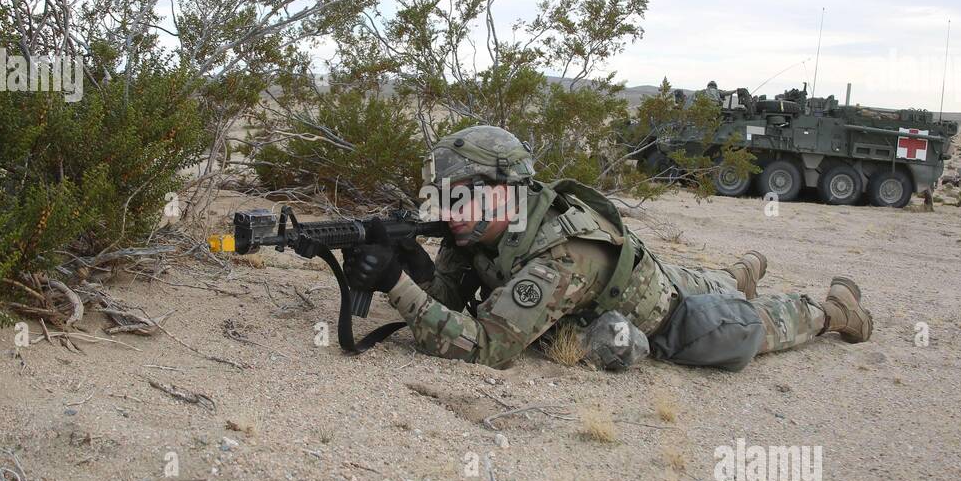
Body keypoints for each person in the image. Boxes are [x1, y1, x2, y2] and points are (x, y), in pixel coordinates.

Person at [343, 125, 872, 371]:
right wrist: (411, 266)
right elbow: (449, 304)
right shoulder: (476, 230)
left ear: (506, 192)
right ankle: (737, 273)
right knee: (704, 278)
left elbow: (487, 348)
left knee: (744, 332)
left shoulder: (561, 254)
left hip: (664, 315)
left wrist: (394, 287)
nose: (447, 211)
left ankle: (831, 312)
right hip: (626, 280)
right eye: (445, 198)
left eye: (461, 197)